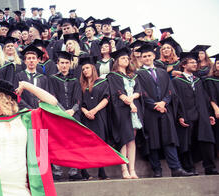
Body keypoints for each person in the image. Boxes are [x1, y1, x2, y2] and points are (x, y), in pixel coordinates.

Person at [136, 44, 193, 177]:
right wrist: (154, 104)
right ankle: (157, 170)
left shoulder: (162, 72)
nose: (147, 58)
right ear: (141, 59)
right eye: (144, 56)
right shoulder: (138, 74)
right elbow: (140, 92)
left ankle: (176, 168)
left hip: (165, 110)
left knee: (169, 140)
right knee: (152, 141)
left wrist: (164, 102)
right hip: (150, 111)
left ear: (154, 56)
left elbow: (170, 90)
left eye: (149, 55)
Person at [172, 52, 218, 175]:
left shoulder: (197, 81)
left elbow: (204, 98)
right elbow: (176, 100)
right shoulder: (177, 81)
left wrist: (209, 114)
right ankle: (189, 167)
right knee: (187, 142)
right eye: (191, 62)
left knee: (206, 140)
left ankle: (209, 167)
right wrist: (180, 116)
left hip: (201, 115)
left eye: (195, 62)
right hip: (187, 115)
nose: (195, 64)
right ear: (183, 65)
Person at [107, 47, 143, 179]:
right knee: (124, 139)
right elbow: (118, 92)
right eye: (123, 58)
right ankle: (124, 169)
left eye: (127, 58)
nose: (126, 60)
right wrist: (130, 102)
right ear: (117, 61)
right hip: (121, 109)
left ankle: (132, 169)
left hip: (133, 110)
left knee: (132, 140)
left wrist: (133, 99)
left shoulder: (133, 76)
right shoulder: (112, 75)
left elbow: (139, 90)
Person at [48, 51, 83, 181]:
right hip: (58, 115)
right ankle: (57, 171)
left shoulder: (75, 80)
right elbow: (52, 97)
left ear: (70, 64)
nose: (64, 65)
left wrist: (73, 110)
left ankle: (74, 171)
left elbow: (79, 97)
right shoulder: (52, 79)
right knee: (57, 142)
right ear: (57, 64)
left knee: (74, 143)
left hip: (73, 115)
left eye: (66, 63)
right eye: (61, 63)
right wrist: (62, 112)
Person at [79, 56, 110, 179]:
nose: (85, 70)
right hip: (85, 118)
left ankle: (101, 171)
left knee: (100, 143)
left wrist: (95, 110)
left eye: (87, 68)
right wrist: (86, 111)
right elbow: (79, 101)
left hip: (99, 117)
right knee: (85, 145)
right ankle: (84, 172)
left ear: (92, 68)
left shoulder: (102, 82)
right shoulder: (81, 85)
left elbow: (106, 98)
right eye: (83, 69)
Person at [14, 45, 48, 109]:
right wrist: (28, 108)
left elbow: (46, 95)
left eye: (33, 58)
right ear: (25, 61)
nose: (31, 61)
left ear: (37, 61)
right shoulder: (19, 76)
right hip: (25, 111)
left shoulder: (43, 78)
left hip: (40, 110)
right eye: (29, 58)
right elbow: (17, 96)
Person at [204, 54, 219, 151]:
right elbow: (211, 96)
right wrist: (216, 109)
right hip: (216, 109)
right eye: (218, 63)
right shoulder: (210, 79)